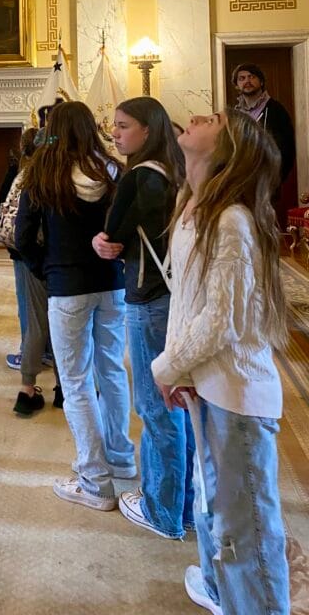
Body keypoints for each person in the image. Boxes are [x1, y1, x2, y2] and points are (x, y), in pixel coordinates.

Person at [152, 108, 289, 615]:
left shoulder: (231, 219)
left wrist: (165, 367)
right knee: (211, 501)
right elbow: (185, 300)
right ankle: (222, 590)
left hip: (237, 393)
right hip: (207, 381)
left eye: (213, 119)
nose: (194, 116)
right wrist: (181, 370)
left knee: (247, 522)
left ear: (226, 151)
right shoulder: (193, 207)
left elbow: (220, 321)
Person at [15, 101, 134, 511]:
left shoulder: (42, 172)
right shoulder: (113, 170)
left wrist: (45, 270)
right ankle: (120, 457)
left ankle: (95, 480)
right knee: (113, 370)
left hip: (66, 286)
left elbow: (23, 235)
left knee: (77, 380)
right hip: (112, 283)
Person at [92, 97, 195, 539]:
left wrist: (102, 240)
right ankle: (182, 505)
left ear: (148, 130)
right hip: (177, 296)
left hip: (148, 297)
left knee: (156, 408)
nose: (115, 133)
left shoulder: (138, 177)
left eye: (123, 126)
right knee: (179, 405)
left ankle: (162, 511)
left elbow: (111, 236)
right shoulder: (182, 172)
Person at [0, 127, 62, 415]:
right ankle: (63, 389)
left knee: (34, 323)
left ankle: (27, 389)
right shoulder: (66, 175)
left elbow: (18, 224)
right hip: (60, 259)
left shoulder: (27, 174)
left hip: (29, 257)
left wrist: (31, 259)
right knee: (64, 324)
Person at [232, 62, 295, 183]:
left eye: (252, 77)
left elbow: (288, 149)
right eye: (242, 78)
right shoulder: (235, 114)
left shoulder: (276, 110)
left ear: (261, 82)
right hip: (241, 180)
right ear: (237, 85)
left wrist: (277, 178)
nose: (247, 81)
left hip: (268, 179)